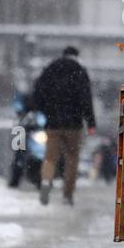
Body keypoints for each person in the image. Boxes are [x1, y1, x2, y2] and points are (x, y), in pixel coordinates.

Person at [30, 45, 96, 206]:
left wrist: (43, 110)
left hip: (53, 123)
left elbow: (38, 91)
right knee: (72, 160)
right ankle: (67, 195)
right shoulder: (80, 70)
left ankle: (45, 186)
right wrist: (91, 122)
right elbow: (86, 98)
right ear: (76, 56)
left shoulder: (50, 69)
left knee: (50, 158)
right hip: (74, 125)